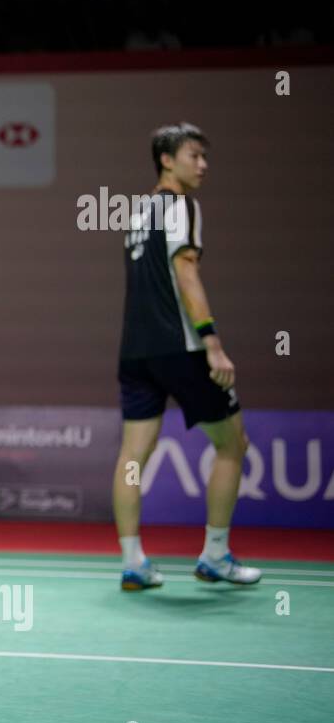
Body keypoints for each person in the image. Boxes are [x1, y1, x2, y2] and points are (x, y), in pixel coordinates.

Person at [112, 122, 261, 591]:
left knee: (133, 455)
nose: (203, 164)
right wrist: (212, 341)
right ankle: (215, 555)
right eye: (193, 155)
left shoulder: (137, 214)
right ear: (166, 160)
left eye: (204, 156)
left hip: (135, 352)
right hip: (183, 347)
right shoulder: (180, 206)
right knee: (233, 445)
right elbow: (186, 273)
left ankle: (133, 562)